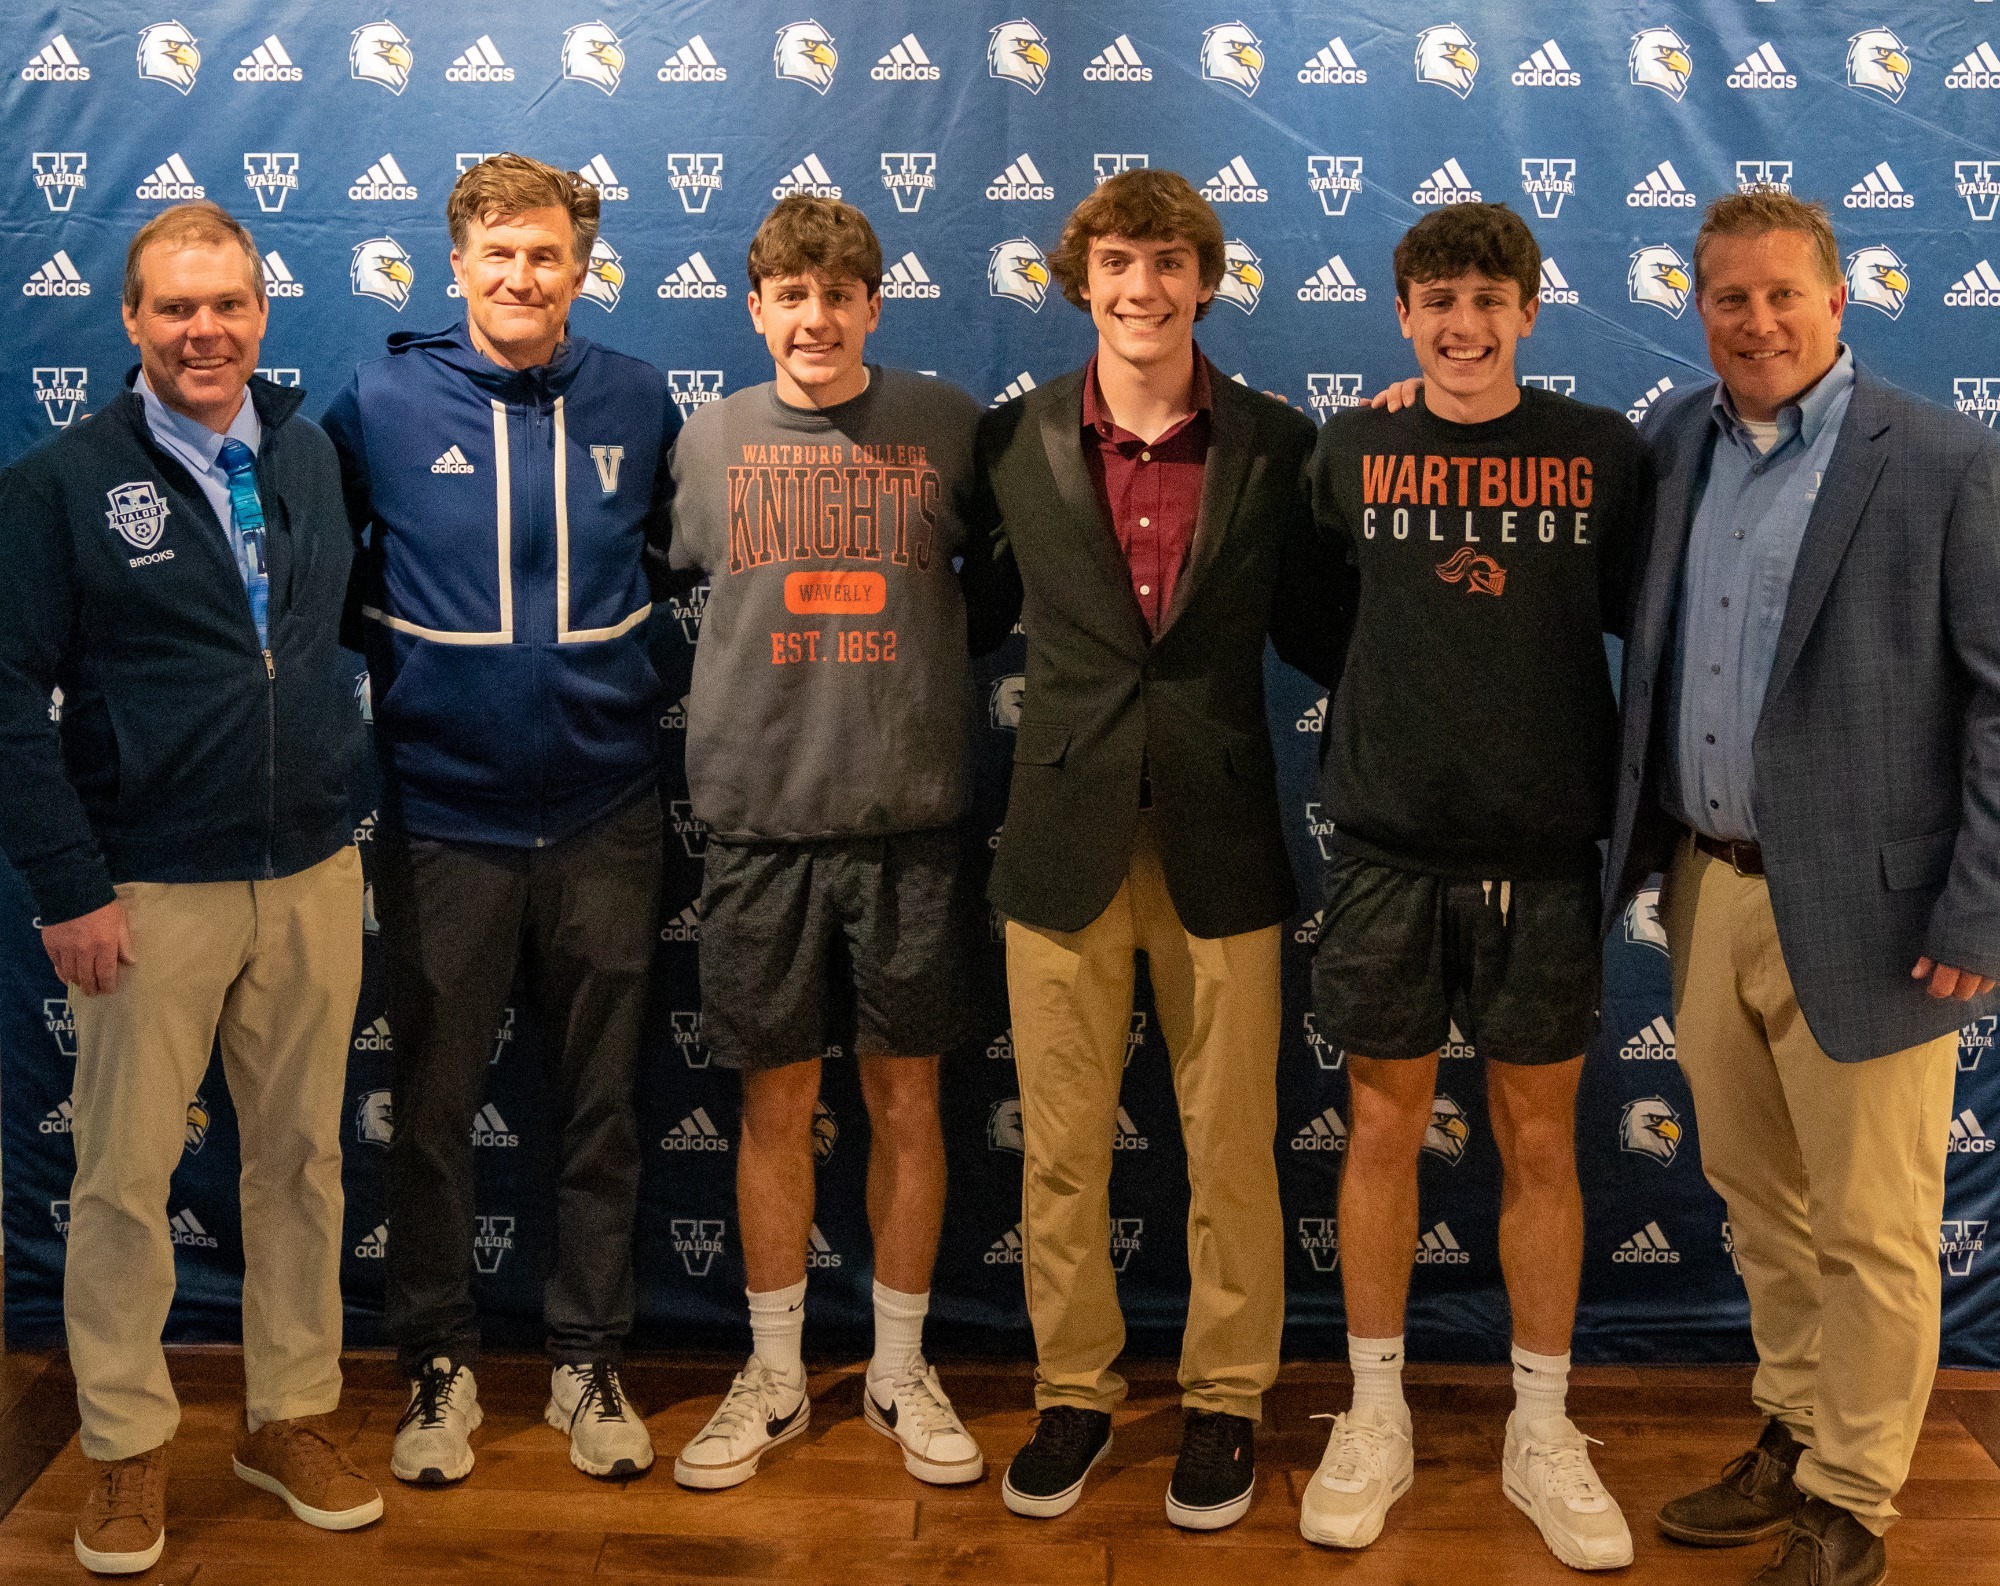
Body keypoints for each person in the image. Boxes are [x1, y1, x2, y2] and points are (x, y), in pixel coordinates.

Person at [1607, 190, 2000, 1586]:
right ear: (1697, 309)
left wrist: (1976, 910)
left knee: (1877, 1224)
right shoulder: (1672, 450)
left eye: (1785, 295)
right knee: (1758, 1197)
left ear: (1840, 301)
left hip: (1886, 915)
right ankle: (1790, 1421)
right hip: (1710, 889)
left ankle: (1851, 1493)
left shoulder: (1946, 460)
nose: (1759, 322)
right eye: (1730, 298)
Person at [0, 202, 380, 1574]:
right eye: (176, 307)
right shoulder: (58, 484)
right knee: (119, 1182)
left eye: (227, 304)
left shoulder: (310, 455)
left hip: (313, 872)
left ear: (262, 313)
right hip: (147, 890)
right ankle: (121, 1444)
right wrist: (68, 887)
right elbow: (6, 701)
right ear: (132, 321)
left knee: (301, 1164)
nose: (204, 330)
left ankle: (288, 1415)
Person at [975, 168, 1336, 1531]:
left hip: (1224, 841)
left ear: (1204, 278)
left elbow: (1329, 633)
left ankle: (1228, 1399)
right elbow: (961, 619)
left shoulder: (1278, 445)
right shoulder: (1011, 444)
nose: (1143, 286)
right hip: (1059, 843)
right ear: (1086, 278)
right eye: (1119, 261)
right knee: (1061, 1150)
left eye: (1169, 262)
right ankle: (1076, 1388)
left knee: (1230, 1148)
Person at [321, 154, 679, 1487]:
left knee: (600, 1108)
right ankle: (439, 1361)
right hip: (444, 816)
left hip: (607, 809)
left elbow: (675, 570)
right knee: (432, 1110)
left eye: (547, 257)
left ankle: (588, 1357)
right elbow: (326, 567)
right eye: (498, 256)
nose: (522, 278)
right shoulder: (380, 397)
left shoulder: (639, 399)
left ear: (582, 270)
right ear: (455, 264)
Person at [1298, 203, 1643, 1570]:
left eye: (1490, 297)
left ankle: (1541, 1426)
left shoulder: (1600, 452)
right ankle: (1374, 1406)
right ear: (1400, 315)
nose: (1463, 322)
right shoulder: (1354, 448)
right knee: (1382, 1135)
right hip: (1386, 850)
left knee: (1542, 1143)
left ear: (1530, 312)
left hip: (1544, 854)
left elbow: (1631, 616)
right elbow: (1318, 621)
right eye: (1437, 297)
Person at [667, 195, 1004, 1492]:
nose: (814, 317)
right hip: (757, 829)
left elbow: (1003, 595)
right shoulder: (704, 444)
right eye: (789, 294)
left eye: (838, 292)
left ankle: (898, 1365)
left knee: (908, 1101)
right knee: (774, 1103)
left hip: (907, 823)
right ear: (755, 310)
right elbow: (657, 602)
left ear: (874, 304)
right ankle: (771, 1371)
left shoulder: (949, 430)